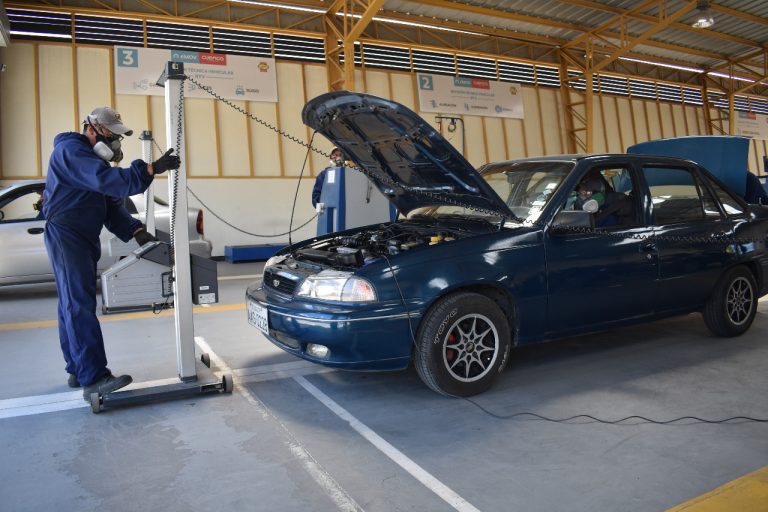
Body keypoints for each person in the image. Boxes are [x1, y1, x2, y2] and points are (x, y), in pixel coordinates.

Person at [43, 106, 180, 400]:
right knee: (78, 303)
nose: (115, 140)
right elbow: (108, 181)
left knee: (72, 302)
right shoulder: (71, 151)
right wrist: (150, 169)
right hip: (67, 233)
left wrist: (136, 231)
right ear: (91, 129)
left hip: (82, 234)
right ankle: (93, 378)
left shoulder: (92, 160)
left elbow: (109, 204)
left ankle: (78, 368)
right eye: (110, 133)